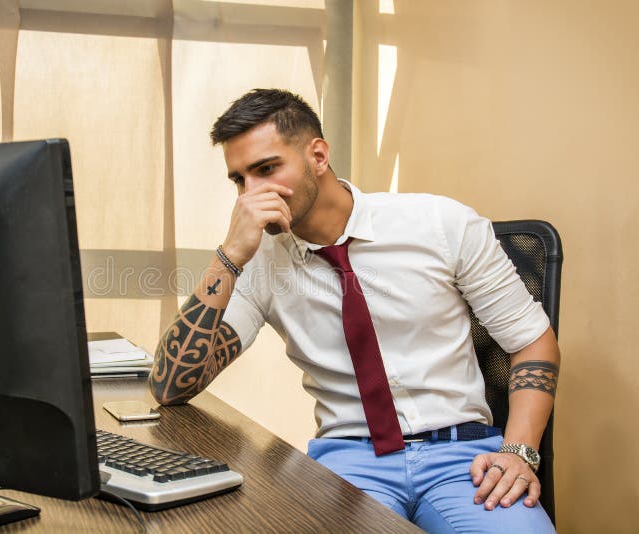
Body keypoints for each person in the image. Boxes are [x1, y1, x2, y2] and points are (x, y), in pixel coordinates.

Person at [150, 88, 560, 533]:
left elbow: (533, 341)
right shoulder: (259, 264)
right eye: (239, 180)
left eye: (267, 169)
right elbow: (170, 386)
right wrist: (228, 256)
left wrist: (518, 452)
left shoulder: (441, 224)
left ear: (318, 156)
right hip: (348, 466)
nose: (252, 194)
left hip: (463, 460)